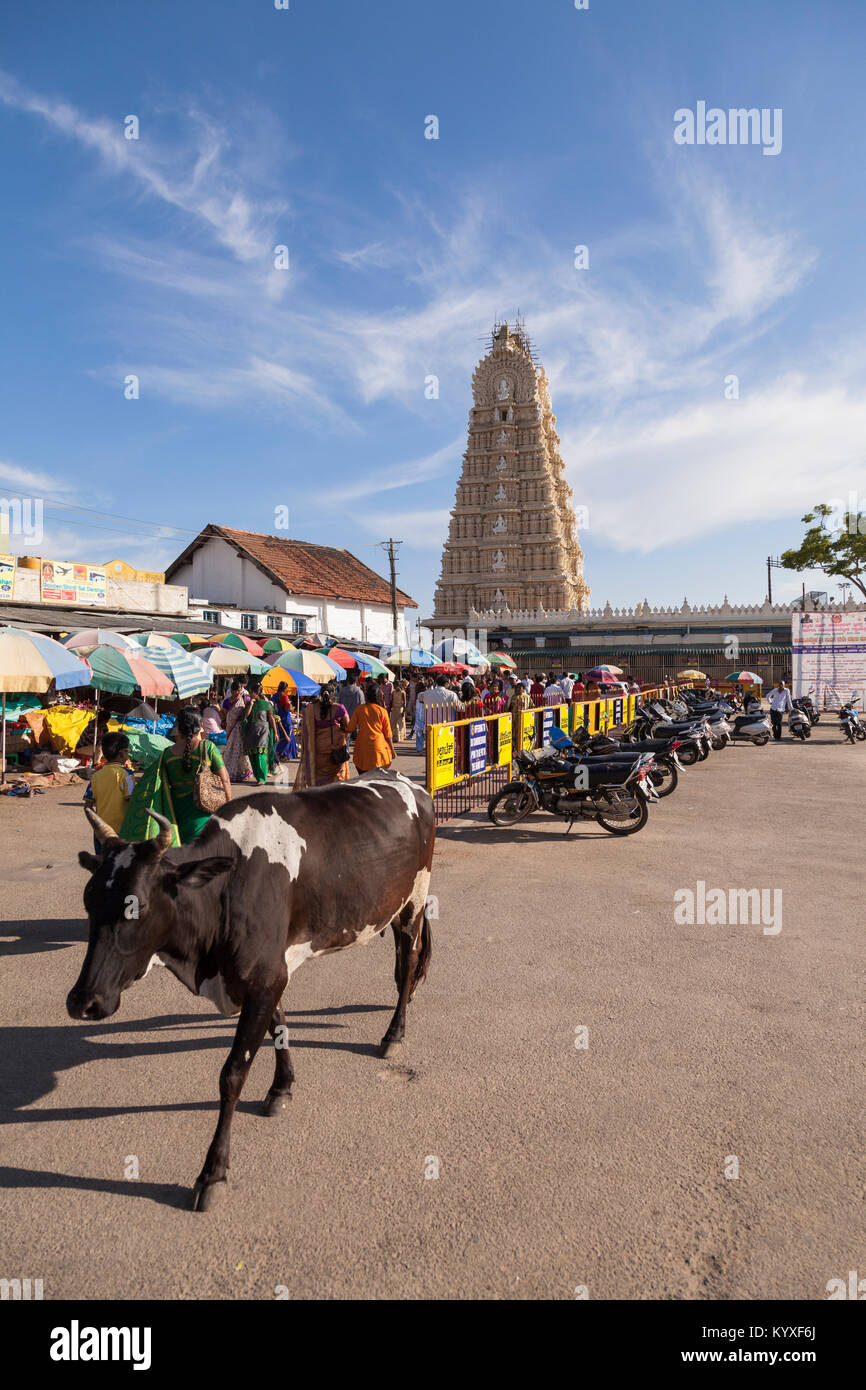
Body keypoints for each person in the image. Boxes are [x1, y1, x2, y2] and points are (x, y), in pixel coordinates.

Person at [122, 706, 231, 846]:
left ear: (178, 728)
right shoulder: (208, 748)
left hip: (176, 818)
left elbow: (153, 782)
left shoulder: (167, 754)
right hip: (204, 817)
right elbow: (225, 779)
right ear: (201, 726)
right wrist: (229, 809)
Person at [84, 731, 134, 853]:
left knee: (103, 866)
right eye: (127, 751)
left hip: (100, 832)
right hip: (121, 831)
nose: (128, 754)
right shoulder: (127, 775)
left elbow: (88, 806)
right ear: (121, 754)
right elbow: (132, 800)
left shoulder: (96, 776)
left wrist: (96, 826)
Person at [293, 686, 350, 787]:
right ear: (333, 694)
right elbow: (348, 727)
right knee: (335, 781)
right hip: (335, 751)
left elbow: (307, 729)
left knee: (319, 780)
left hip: (318, 750)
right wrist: (341, 732)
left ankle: (319, 797)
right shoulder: (339, 708)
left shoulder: (311, 709)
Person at [347, 682, 395, 772]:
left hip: (362, 750)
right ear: (379, 697)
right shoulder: (382, 711)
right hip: (378, 750)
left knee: (364, 780)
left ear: (366, 696)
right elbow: (388, 734)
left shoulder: (359, 709)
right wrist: (392, 750)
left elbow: (350, 728)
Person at [243, 679, 280, 784]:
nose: (249, 694)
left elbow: (272, 718)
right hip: (251, 731)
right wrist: (250, 705)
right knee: (253, 755)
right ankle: (258, 777)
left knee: (261, 754)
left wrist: (276, 733)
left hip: (263, 730)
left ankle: (262, 778)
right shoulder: (249, 703)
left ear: (256, 693)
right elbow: (246, 716)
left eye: (251, 692)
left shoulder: (266, 704)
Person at [413, 675, 459, 752]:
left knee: (432, 749)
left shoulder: (426, 693)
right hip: (445, 726)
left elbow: (419, 697)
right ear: (446, 684)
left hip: (431, 726)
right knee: (444, 750)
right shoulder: (451, 694)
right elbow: (460, 708)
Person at [223, 681, 255, 783]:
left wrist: (250, 705)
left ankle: (244, 771)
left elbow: (248, 712)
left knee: (240, 750)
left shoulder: (245, 699)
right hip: (230, 728)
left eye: (240, 690)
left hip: (240, 728)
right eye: (236, 691)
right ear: (232, 690)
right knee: (230, 749)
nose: (238, 692)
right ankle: (230, 772)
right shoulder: (227, 702)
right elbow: (223, 715)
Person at [272, 681, 297, 760]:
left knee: (280, 735)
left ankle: (280, 753)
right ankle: (282, 753)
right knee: (288, 736)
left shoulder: (274, 696)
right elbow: (287, 709)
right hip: (285, 718)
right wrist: (291, 707)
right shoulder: (284, 696)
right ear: (285, 688)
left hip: (276, 718)